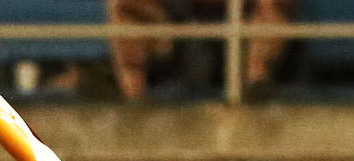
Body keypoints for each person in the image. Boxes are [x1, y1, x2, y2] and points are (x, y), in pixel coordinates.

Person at [107, 0, 295, 102]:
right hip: (178, 21)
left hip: (247, 24)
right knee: (126, 7)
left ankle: (255, 90)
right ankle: (133, 99)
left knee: (272, 5)